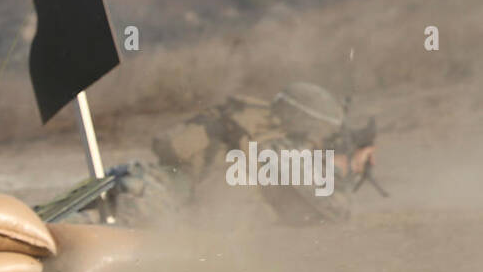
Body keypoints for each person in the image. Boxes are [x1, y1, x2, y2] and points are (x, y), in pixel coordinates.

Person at [144, 81, 376, 223]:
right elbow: (336, 210)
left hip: (146, 189)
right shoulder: (273, 145)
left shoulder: (245, 126)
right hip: (154, 205)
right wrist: (347, 168)